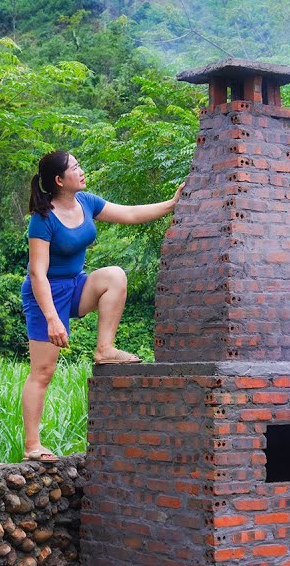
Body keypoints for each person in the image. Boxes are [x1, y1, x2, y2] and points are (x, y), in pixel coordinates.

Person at [20, 150, 181, 462]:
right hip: (45, 294)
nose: (81, 171)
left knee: (114, 276)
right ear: (59, 180)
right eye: (75, 168)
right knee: (43, 371)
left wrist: (172, 205)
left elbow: (131, 214)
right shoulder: (43, 220)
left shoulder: (87, 202)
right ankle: (32, 446)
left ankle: (105, 348)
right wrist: (53, 319)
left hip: (76, 284)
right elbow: (37, 273)